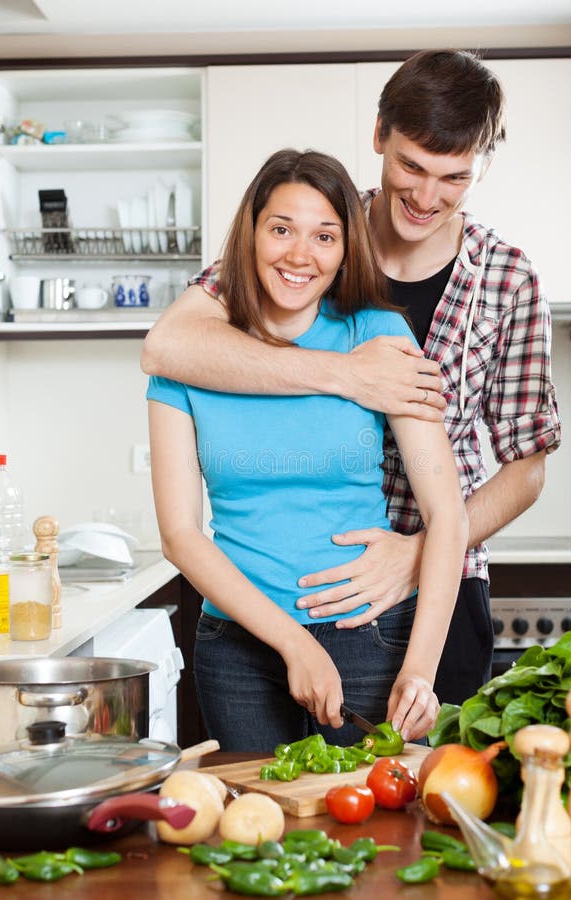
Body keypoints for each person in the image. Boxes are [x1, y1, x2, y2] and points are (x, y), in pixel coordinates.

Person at [142, 49, 561, 707]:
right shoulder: (311, 233)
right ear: (378, 136)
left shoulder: (508, 279)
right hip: (294, 596)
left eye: (453, 178)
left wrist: (415, 554)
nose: (426, 198)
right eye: (410, 166)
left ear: (482, 167)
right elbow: (168, 346)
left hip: (439, 590)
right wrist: (347, 376)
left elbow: (526, 469)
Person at [147, 149, 467, 752]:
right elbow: (180, 535)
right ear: (250, 234)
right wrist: (294, 642)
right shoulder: (191, 355)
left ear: (347, 249)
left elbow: (447, 513)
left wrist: (420, 669)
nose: (300, 255)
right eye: (281, 229)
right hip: (236, 645)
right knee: (259, 831)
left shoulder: (378, 335)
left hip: (367, 632)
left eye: (325, 235)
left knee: (374, 834)